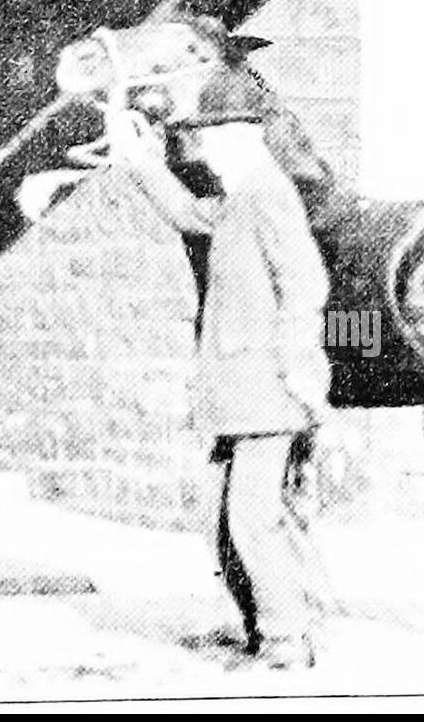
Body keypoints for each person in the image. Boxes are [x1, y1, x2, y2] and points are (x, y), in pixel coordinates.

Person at [107, 95, 333, 671]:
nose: (202, 147)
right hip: (234, 395)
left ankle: (287, 641)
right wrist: (137, 158)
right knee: (218, 517)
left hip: (265, 394)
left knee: (254, 518)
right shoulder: (239, 200)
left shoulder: (268, 194)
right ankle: (257, 627)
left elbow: (306, 284)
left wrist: (296, 369)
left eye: (209, 136)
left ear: (242, 136)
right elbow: (187, 213)